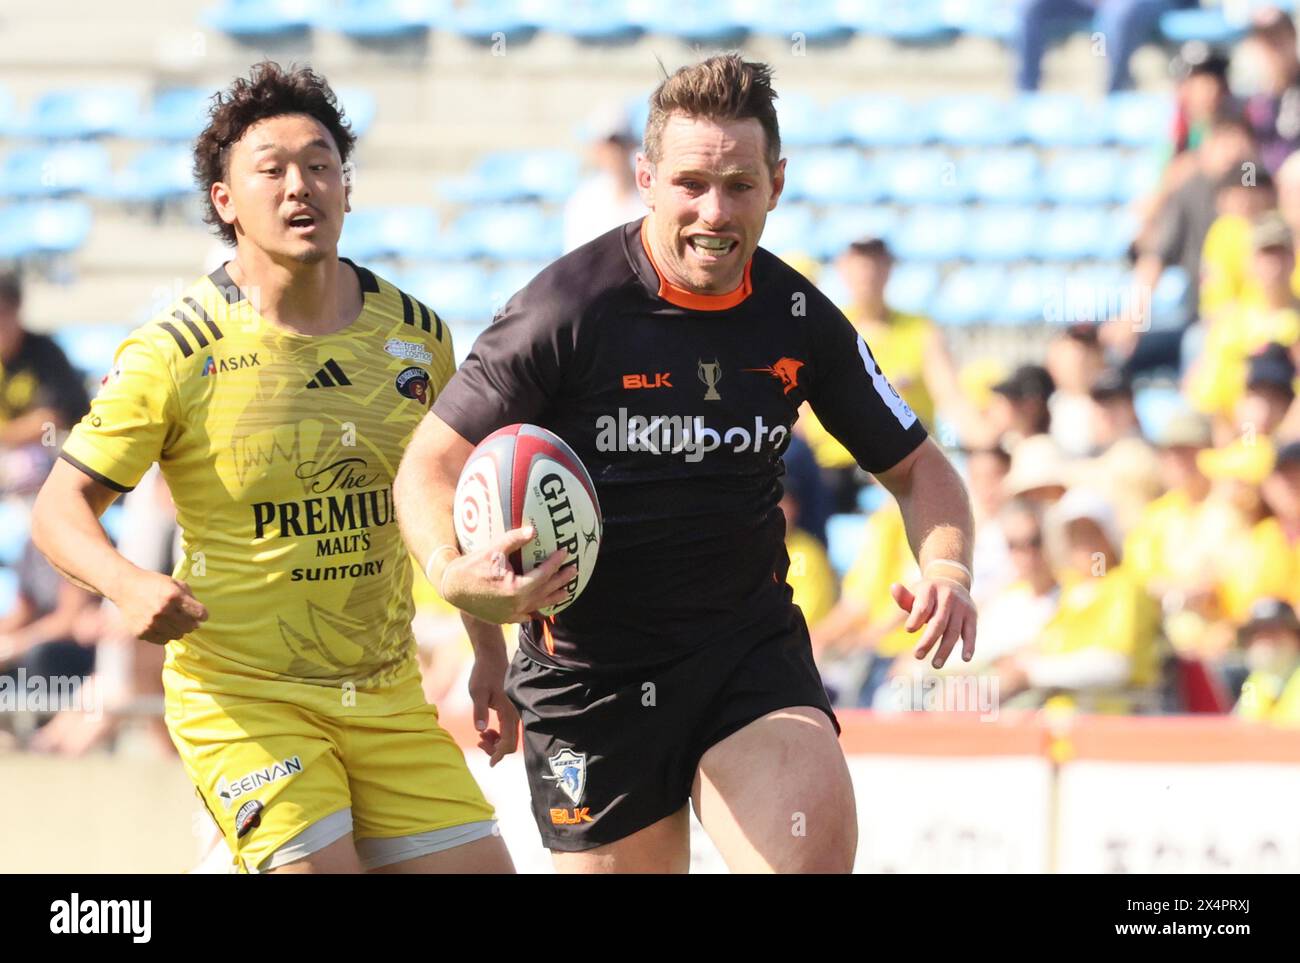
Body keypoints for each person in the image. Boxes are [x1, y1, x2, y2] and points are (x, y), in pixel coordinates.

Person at [394, 54, 978, 874]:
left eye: (739, 185)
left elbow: (921, 468)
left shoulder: (798, 315)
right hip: (587, 684)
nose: (714, 211)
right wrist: (460, 585)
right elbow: (429, 464)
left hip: (745, 658)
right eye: (691, 184)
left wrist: (947, 565)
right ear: (645, 179)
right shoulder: (564, 310)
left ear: (777, 182)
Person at [30, 62, 513, 874]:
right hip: (245, 696)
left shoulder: (417, 335)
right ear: (226, 202)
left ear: (347, 189)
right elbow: (57, 510)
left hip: (386, 691)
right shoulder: (174, 351)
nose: (302, 187)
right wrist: (128, 583)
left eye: (320, 165)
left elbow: (455, 498)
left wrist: (489, 654)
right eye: (274, 170)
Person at [0, 271, 90, 452]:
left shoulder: (45, 354)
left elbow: (49, 422)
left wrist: (7, 435)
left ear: (17, 310)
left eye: (2, 314)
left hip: (40, 451)